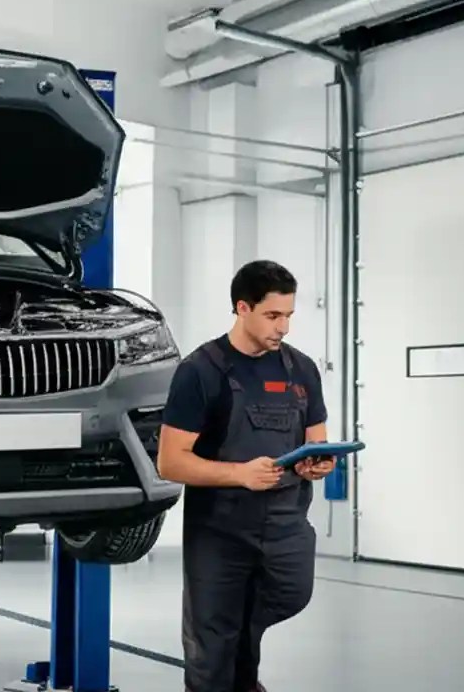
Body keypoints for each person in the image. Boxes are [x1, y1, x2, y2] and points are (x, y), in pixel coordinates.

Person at [156, 259, 333, 692]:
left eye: (289, 316)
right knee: (212, 641)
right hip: (220, 529)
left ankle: (241, 675)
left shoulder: (302, 370)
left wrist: (319, 464)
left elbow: (318, 441)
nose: (284, 328)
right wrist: (240, 474)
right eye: (273, 316)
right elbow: (170, 462)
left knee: (288, 595)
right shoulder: (201, 371)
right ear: (242, 308)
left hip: (286, 522)